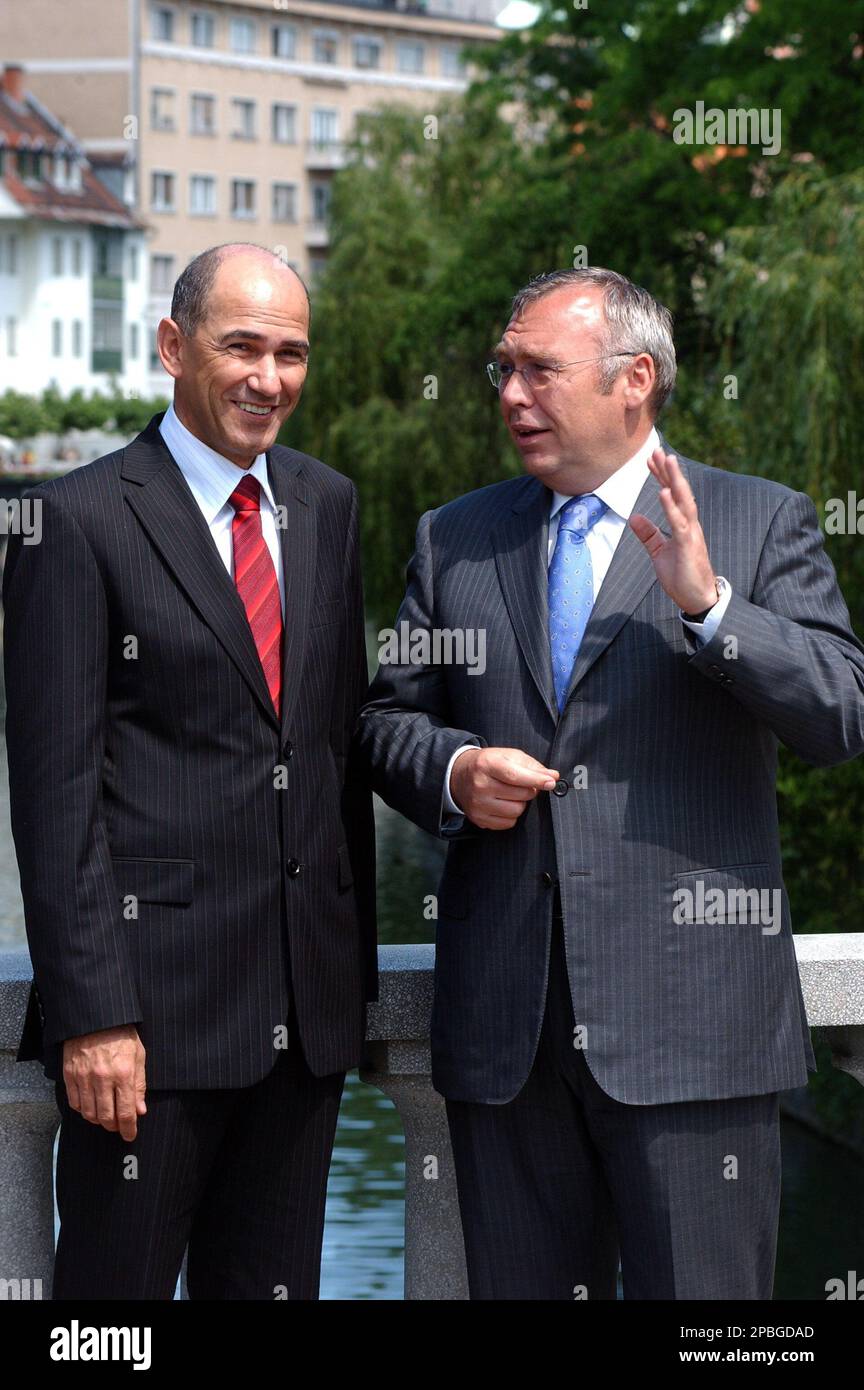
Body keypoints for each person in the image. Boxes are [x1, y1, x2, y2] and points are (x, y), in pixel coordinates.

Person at [355, 266, 864, 1300]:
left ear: (634, 379)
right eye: (504, 369)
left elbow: (841, 714)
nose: (508, 393)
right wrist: (453, 769)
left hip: (697, 1042)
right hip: (509, 1041)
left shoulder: (761, 522)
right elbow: (381, 723)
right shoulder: (455, 537)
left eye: (539, 370)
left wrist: (714, 608)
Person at [4, 242, 376, 1300]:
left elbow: (333, 749)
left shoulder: (328, 505)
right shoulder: (74, 522)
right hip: (146, 1034)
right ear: (174, 346)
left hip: (303, 1026)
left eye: (293, 353)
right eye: (242, 346)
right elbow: (55, 794)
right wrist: (93, 1014)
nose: (270, 377)